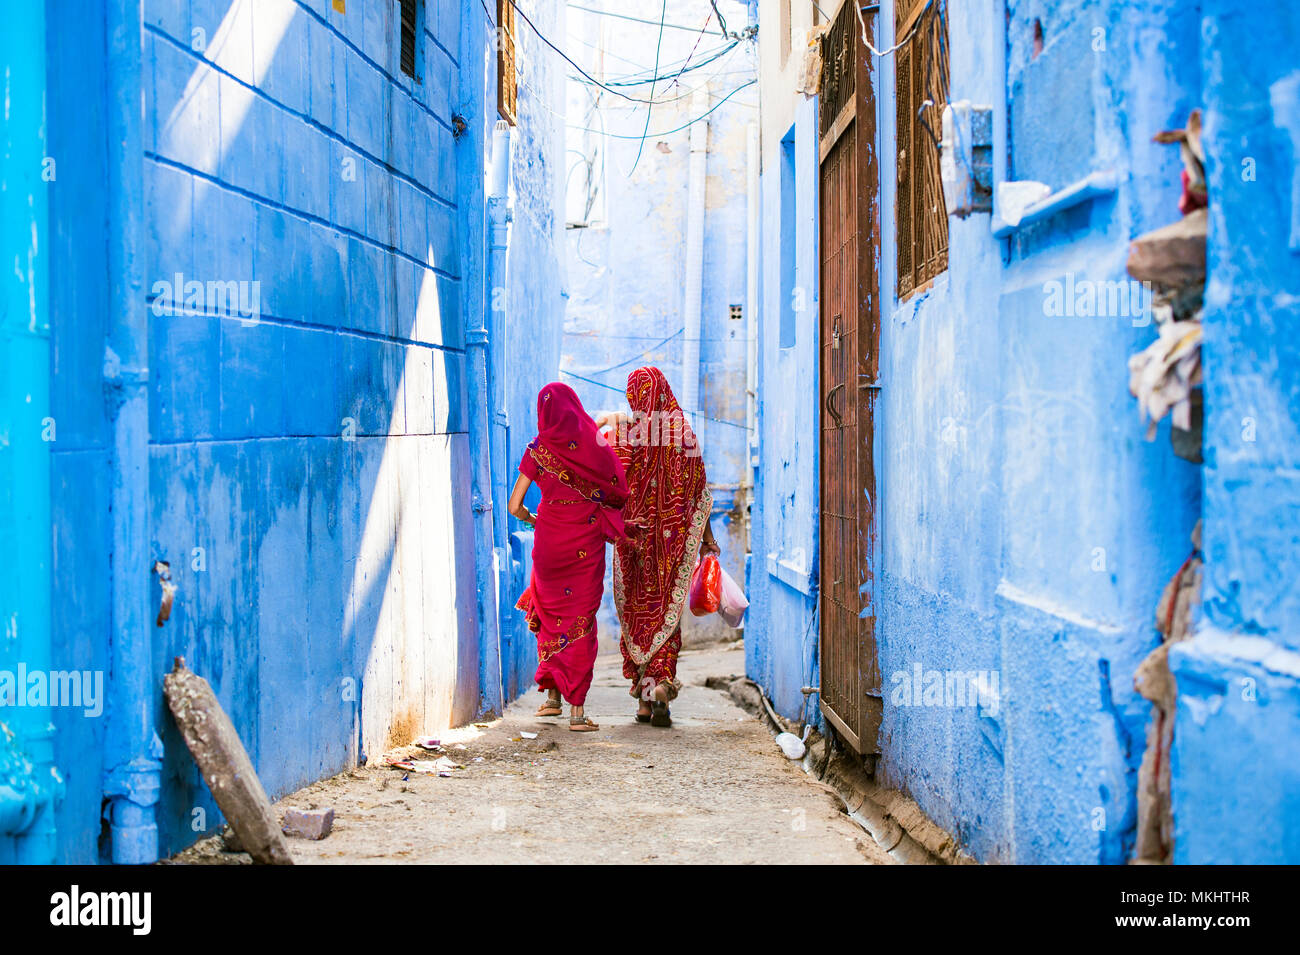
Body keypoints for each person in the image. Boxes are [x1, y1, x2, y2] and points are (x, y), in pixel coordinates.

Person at [598, 367, 719, 727]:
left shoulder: (627, 434)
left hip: (632, 541)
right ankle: (662, 684)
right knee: (666, 615)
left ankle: (644, 703)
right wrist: (707, 539)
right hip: (672, 545)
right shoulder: (683, 434)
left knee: (638, 615)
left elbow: (612, 483)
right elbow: (699, 495)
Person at [508, 382, 628, 732]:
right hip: (584, 543)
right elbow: (616, 487)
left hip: (548, 543)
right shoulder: (593, 444)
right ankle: (577, 712)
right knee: (579, 619)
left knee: (549, 615)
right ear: (573, 406)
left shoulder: (537, 450)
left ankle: (551, 700)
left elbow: (515, 506)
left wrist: (536, 519)